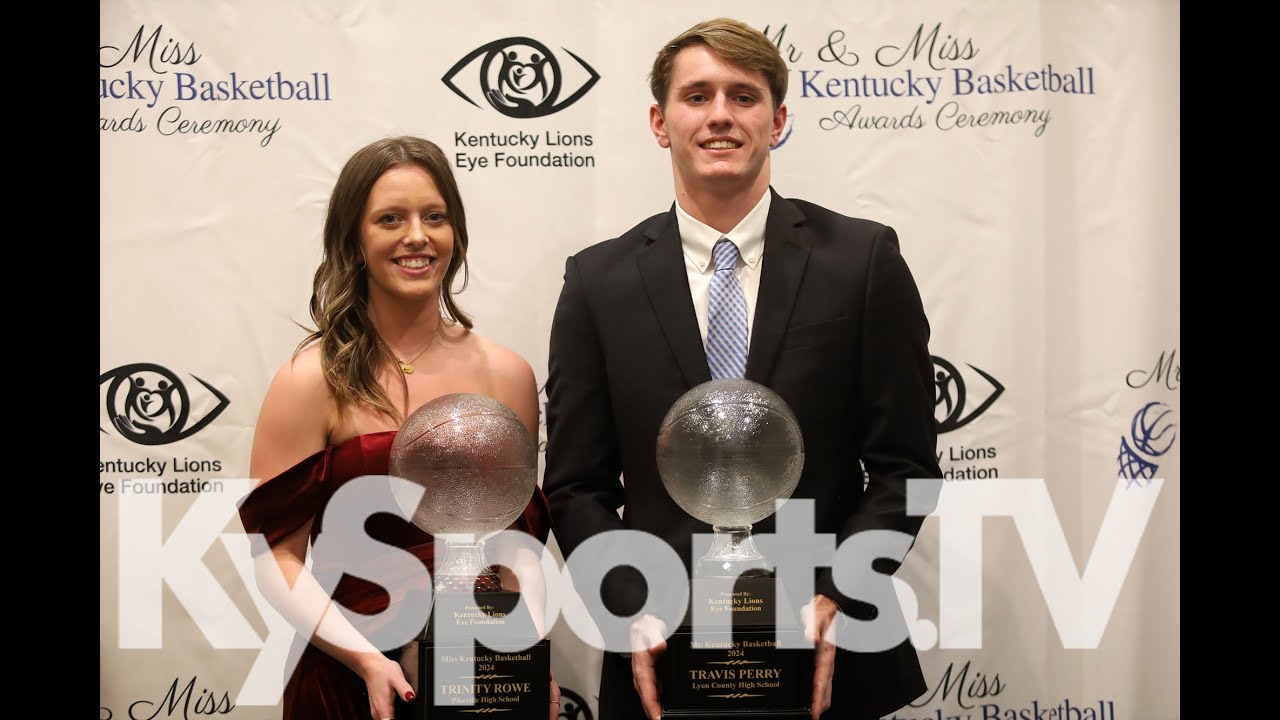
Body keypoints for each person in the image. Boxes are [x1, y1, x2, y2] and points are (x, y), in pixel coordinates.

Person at [543, 18, 942, 720]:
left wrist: (840, 595)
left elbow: (905, 470)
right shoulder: (597, 282)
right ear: (660, 122)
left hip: (832, 657)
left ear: (778, 119)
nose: (720, 114)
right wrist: (634, 604)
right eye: (696, 96)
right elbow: (576, 485)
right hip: (660, 657)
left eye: (744, 95)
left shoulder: (863, 261)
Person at [238, 136, 560, 720]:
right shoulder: (310, 380)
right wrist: (366, 659)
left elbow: (517, 548)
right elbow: (275, 560)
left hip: (482, 680)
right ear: (356, 242)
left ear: (455, 234)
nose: (417, 235)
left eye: (434, 217)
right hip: (351, 683)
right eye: (391, 218)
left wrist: (525, 650)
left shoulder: (509, 374)